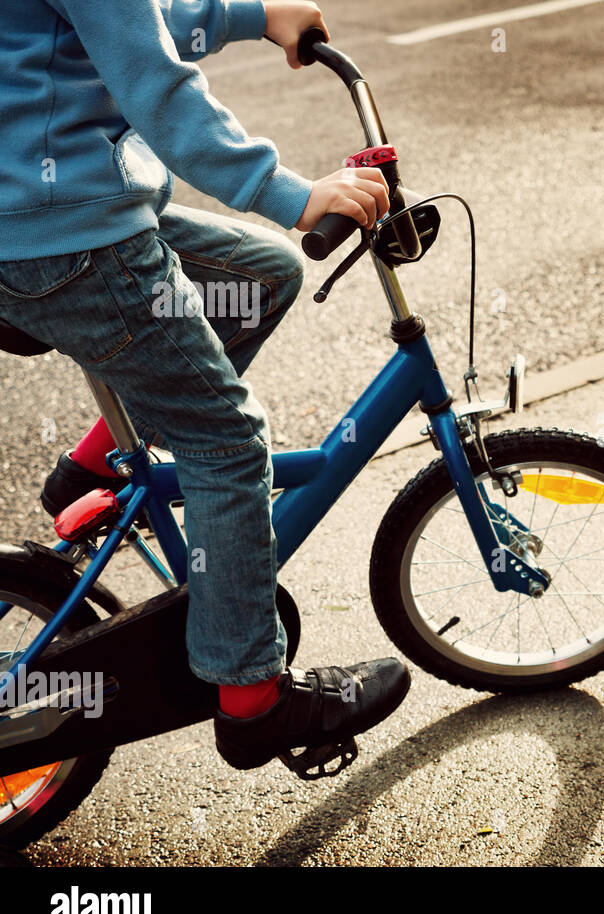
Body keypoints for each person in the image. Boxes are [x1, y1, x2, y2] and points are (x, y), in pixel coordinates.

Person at [0, 0, 410, 772]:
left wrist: (253, 15)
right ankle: (254, 698)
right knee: (224, 441)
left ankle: (97, 468)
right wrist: (291, 194)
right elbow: (156, 84)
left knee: (260, 277)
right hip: (73, 243)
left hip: (34, 223)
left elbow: (128, 21)